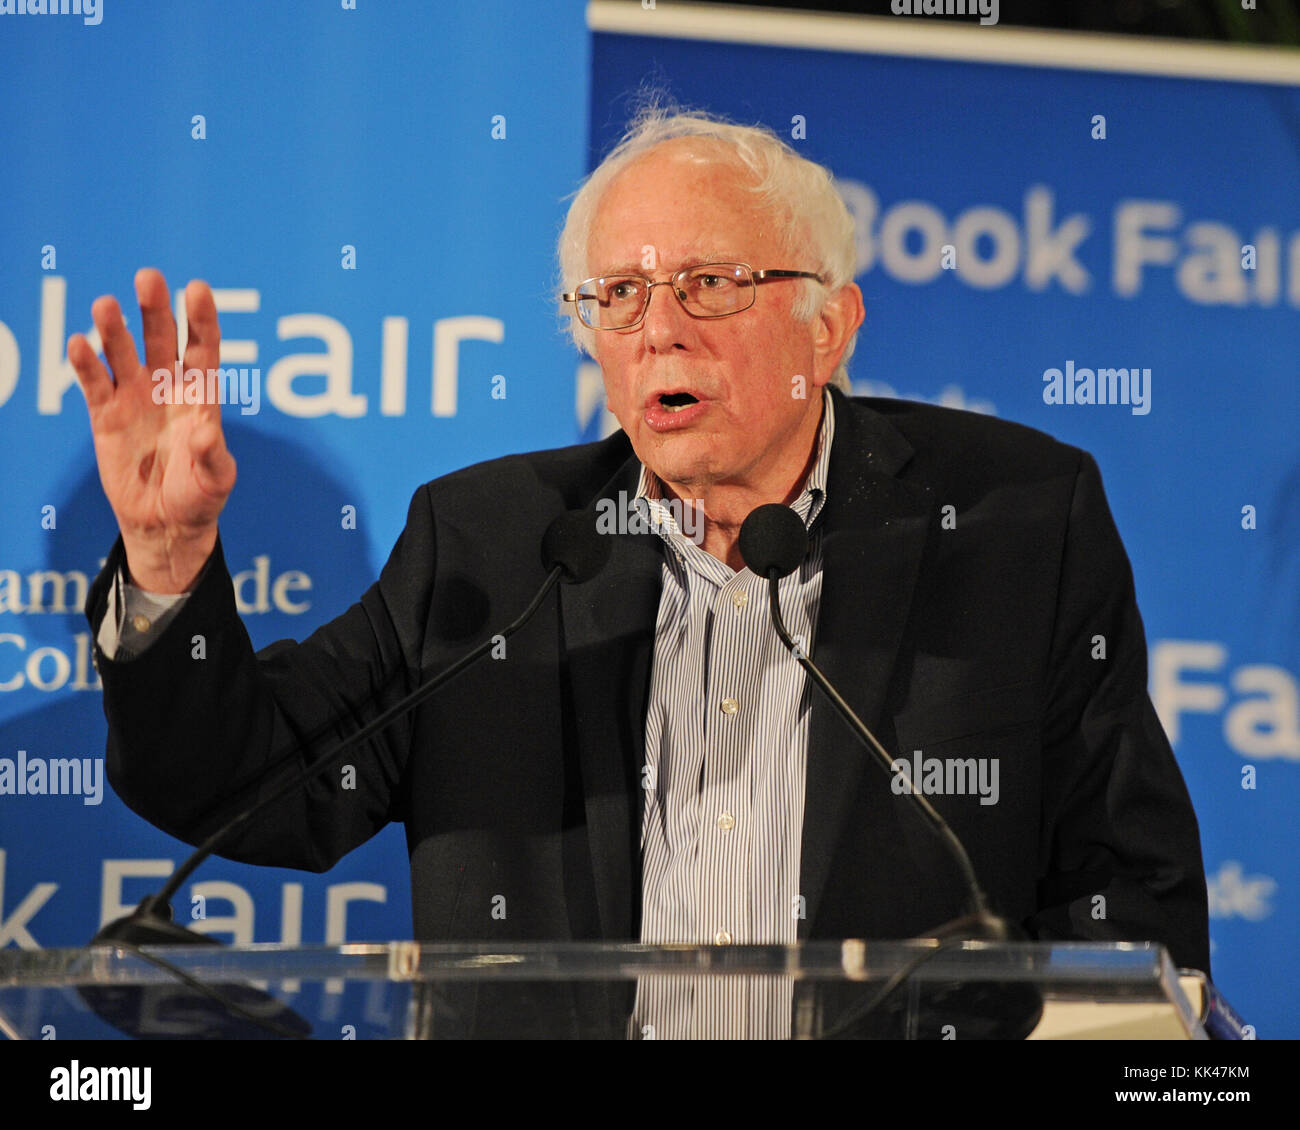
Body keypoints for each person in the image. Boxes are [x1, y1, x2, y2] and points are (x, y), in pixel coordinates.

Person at [70, 109, 1210, 1039]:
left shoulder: (1012, 519)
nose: (658, 328)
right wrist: (168, 561)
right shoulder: (492, 540)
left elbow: (1125, 883)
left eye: (710, 283)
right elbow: (241, 783)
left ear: (828, 328)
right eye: (617, 295)